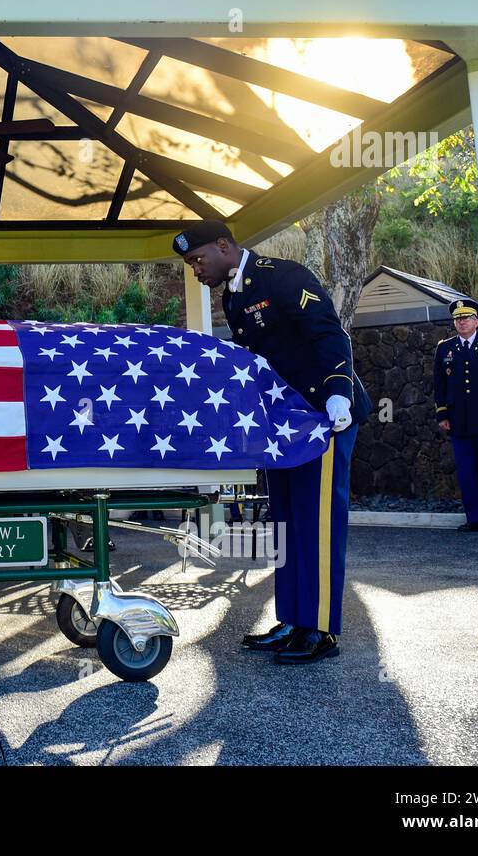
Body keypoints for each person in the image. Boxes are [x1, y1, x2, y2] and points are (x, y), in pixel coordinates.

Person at [176, 220, 371, 664]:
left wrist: (339, 391)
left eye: (198, 259)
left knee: (316, 523)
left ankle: (319, 628)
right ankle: (293, 619)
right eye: (190, 264)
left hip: (324, 416)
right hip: (285, 427)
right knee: (287, 522)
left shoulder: (283, 276)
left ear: (224, 245)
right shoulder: (236, 292)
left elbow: (328, 334)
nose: (196, 270)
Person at [434, 298, 478, 533]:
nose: (461, 322)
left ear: (477, 321)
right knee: (467, 472)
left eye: (465, 318)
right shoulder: (445, 348)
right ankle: (474, 519)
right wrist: (442, 413)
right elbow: (439, 384)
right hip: (459, 421)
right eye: (457, 319)